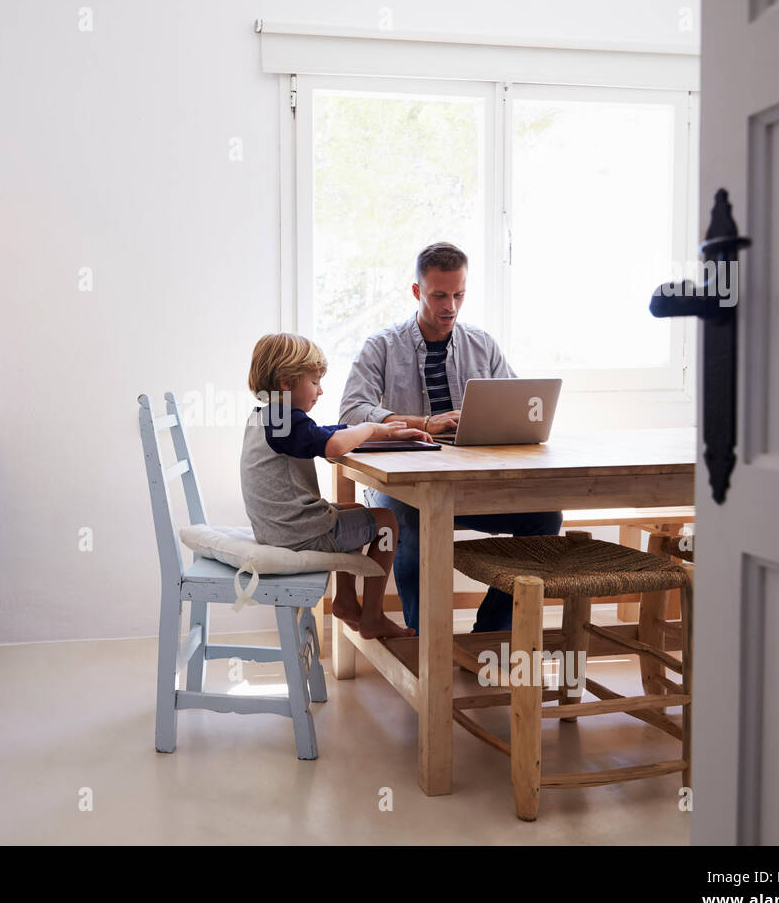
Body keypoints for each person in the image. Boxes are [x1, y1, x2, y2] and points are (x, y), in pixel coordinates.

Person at [339, 242, 563, 634]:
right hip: (400, 489)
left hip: (467, 489)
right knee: (409, 516)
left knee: (546, 517)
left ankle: (489, 633)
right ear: (416, 292)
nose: (451, 306)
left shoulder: (483, 344)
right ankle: (425, 645)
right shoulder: (381, 346)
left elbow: (519, 406)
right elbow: (350, 413)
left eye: (459, 294)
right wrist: (425, 423)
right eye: (439, 295)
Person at [240, 333, 433, 640]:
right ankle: (372, 614)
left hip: (277, 528)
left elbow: (322, 433)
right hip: (298, 532)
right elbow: (331, 445)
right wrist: (369, 427)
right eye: (314, 382)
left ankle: (344, 600)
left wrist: (380, 431)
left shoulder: (267, 416)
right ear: (287, 383)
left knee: (355, 510)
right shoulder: (286, 419)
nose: (320, 390)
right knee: (387, 522)